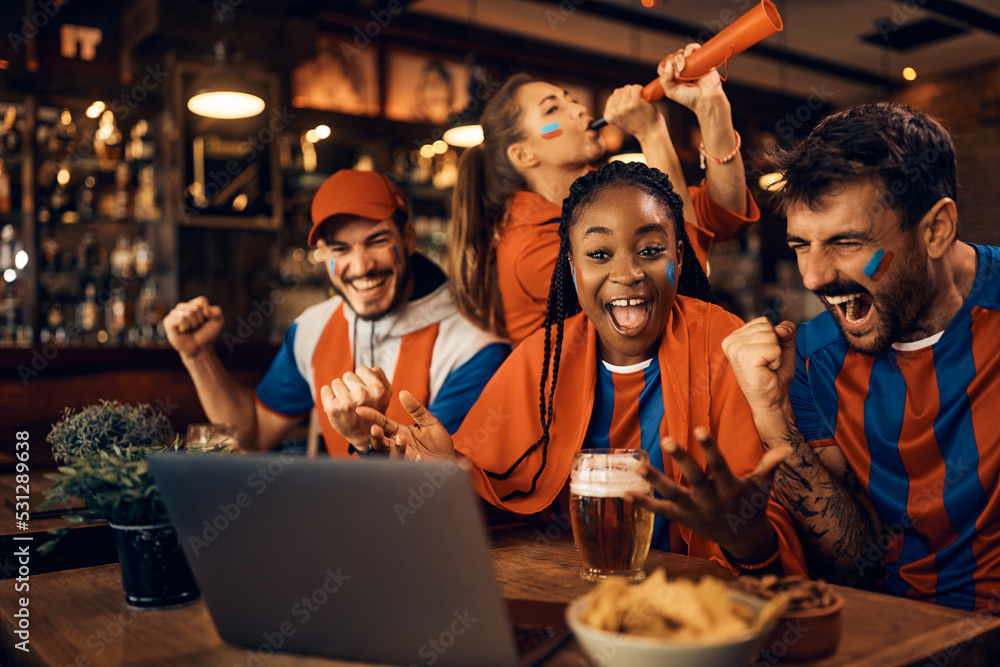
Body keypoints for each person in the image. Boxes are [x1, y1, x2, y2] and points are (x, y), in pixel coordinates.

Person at [360, 161, 807, 576]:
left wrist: (744, 536)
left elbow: (768, 538)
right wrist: (446, 472)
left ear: (679, 257)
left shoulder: (723, 343)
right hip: (567, 592)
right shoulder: (544, 358)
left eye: (651, 250)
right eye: (598, 255)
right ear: (572, 269)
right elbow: (488, 506)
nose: (628, 273)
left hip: (695, 602)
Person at [721, 102, 1000, 611]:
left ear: (936, 229)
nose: (813, 276)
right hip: (887, 627)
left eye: (846, 242)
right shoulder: (813, 358)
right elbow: (851, 560)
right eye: (801, 245)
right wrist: (773, 418)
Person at [164, 169, 508, 455]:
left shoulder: (474, 347)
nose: (360, 266)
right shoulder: (312, 328)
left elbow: (435, 483)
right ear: (322, 253)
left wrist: (363, 440)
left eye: (377, 241)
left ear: (409, 238)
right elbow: (252, 437)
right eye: (340, 248)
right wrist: (197, 355)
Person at [449, 43, 760, 344]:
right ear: (523, 154)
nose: (579, 109)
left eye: (570, 99)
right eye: (553, 109)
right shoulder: (531, 248)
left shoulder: (606, 198)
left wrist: (711, 107)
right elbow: (684, 278)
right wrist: (651, 133)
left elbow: (726, 213)